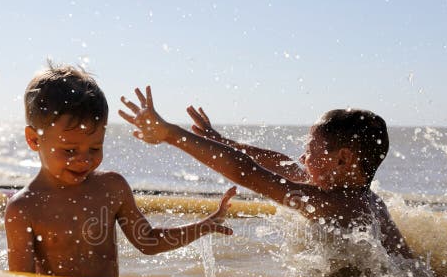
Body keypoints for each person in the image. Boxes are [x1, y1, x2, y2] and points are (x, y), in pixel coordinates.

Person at [118, 86, 412, 260]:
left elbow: (246, 172)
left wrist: (171, 134)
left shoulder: (337, 204)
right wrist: (222, 141)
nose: (302, 158)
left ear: (342, 159)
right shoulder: (354, 193)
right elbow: (282, 164)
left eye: (310, 151)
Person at [5, 64, 237, 277]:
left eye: (95, 148)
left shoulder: (111, 188)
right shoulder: (24, 208)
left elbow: (148, 241)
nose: (84, 160)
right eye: (70, 150)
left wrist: (205, 225)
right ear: (34, 140)